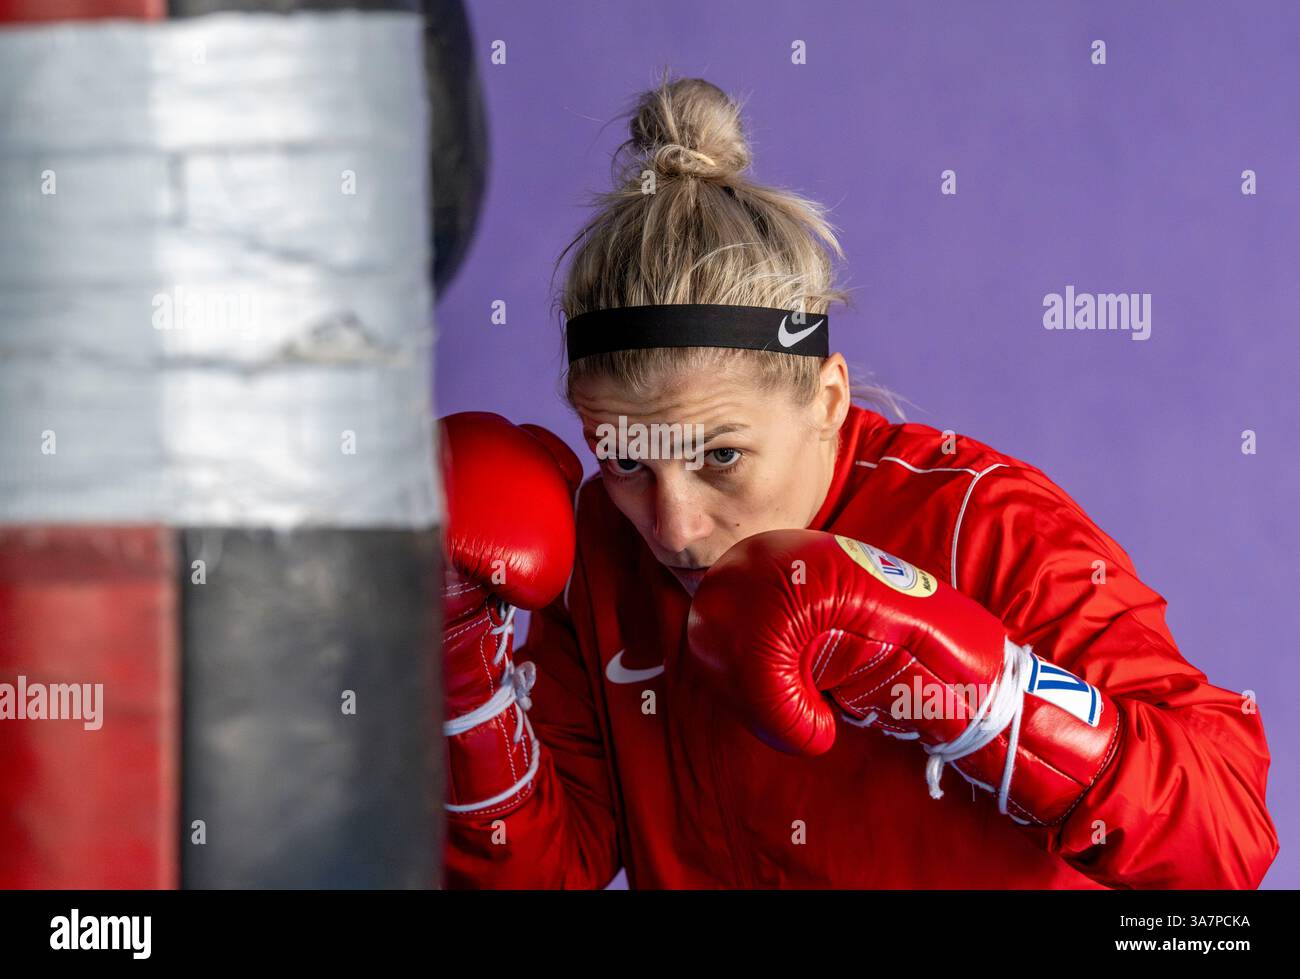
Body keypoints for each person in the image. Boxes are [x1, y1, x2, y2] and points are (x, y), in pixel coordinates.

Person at [438, 76, 1279, 888]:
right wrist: (464, 682)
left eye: (720, 456)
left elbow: (1227, 839)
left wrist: (991, 702)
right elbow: (546, 869)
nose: (674, 524)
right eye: (624, 456)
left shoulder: (980, 524)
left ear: (826, 398)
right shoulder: (599, 546)